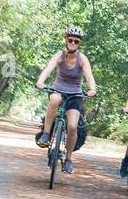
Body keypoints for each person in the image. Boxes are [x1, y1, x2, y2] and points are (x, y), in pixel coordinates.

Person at [35, 25, 97, 174]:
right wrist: (40, 81)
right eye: (70, 40)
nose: (73, 43)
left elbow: (89, 77)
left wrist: (92, 89)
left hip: (75, 94)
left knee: (72, 126)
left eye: (76, 41)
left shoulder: (82, 59)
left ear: (79, 43)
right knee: (54, 100)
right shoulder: (59, 56)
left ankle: (68, 159)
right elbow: (47, 69)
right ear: (66, 40)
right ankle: (45, 134)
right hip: (58, 89)